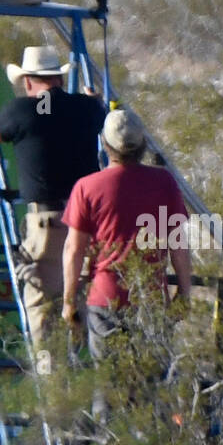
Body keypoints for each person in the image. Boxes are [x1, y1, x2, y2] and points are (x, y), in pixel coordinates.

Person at [0, 44, 105, 342]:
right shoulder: (88, 108)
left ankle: (49, 379)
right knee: (81, 304)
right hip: (89, 221)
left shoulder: (22, 110)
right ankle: (85, 377)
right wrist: (95, 100)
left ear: (27, 81)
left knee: (43, 308)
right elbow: (100, 112)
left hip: (49, 223)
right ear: (59, 78)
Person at [60, 108, 193, 358]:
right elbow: (179, 244)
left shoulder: (87, 188)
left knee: (108, 388)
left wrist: (69, 303)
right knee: (152, 384)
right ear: (143, 144)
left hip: (105, 299)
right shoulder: (164, 183)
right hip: (151, 298)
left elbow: (74, 249)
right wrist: (184, 293)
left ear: (104, 143)